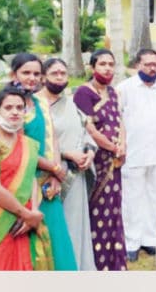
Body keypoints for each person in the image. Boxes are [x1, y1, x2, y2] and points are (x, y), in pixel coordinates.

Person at [0, 88, 53, 270]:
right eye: (8, 107)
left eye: (19, 107)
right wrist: (26, 214)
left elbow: (30, 177)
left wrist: (33, 212)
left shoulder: (27, 143)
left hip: (25, 220)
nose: (15, 112)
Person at [11, 53, 77, 270]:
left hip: (48, 182)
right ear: (14, 74)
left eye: (36, 74)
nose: (32, 78)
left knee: (57, 239)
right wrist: (56, 169)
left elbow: (53, 138)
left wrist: (56, 175)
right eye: (26, 73)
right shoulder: (12, 105)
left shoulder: (40, 101)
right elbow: (21, 149)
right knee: (33, 245)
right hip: (25, 183)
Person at [74, 49, 128, 271]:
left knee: (114, 208)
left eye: (111, 64)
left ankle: (113, 261)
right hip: (96, 160)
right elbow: (88, 128)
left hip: (115, 161)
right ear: (92, 67)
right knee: (96, 210)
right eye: (102, 64)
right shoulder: (83, 93)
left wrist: (123, 145)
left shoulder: (114, 92)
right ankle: (95, 262)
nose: (107, 68)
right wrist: (112, 147)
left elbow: (120, 120)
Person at [41, 58, 97, 270]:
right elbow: (33, 145)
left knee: (76, 227)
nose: (59, 77)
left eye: (63, 73)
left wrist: (89, 153)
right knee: (55, 230)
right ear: (44, 76)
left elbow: (86, 134)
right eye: (54, 73)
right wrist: (67, 155)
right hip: (50, 177)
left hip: (76, 177)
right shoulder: (37, 107)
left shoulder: (71, 104)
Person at [117, 49, 156, 261]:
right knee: (132, 199)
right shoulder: (125, 88)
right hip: (134, 153)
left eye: (155, 64)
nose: (152, 68)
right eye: (148, 64)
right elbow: (117, 120)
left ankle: (150, 239)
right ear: (138, 65)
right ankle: (131, 242)